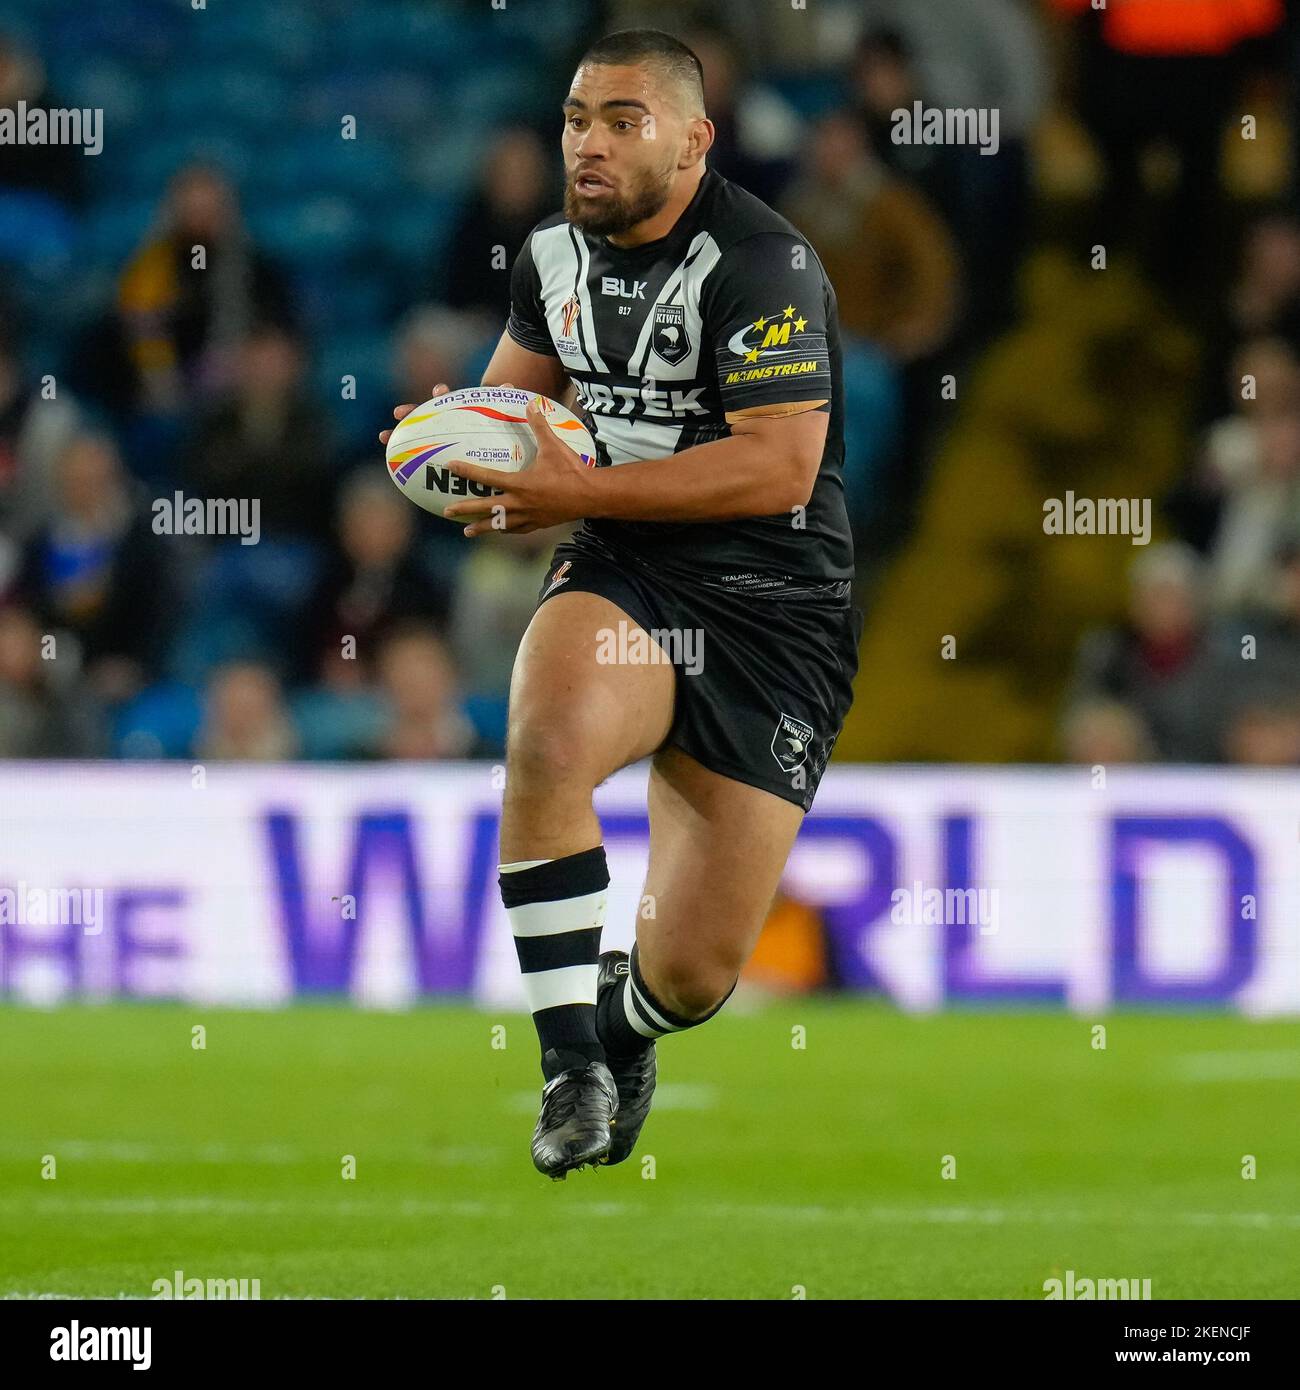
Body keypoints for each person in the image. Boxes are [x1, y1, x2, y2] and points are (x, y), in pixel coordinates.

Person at [381, 30, 862, 1179]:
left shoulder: (766, 262)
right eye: (575, 119)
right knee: (545, 743)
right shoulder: (546, 259)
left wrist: (573, 484)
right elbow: (514, 412)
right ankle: (569, 1068)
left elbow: (777, 469)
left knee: (693, 975)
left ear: (694, 141)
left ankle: (623, 1027)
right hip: (627, 570)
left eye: (621, 121)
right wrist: (458, 455)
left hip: (774, 606)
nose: (588, 144)